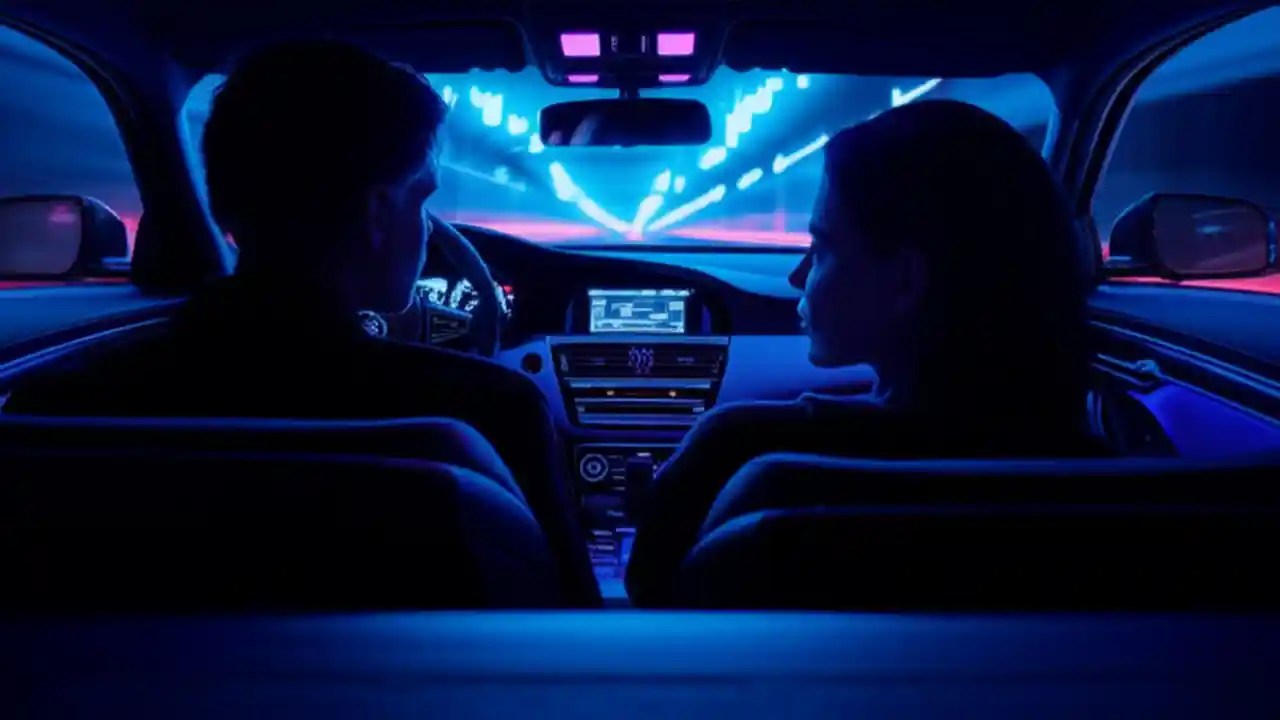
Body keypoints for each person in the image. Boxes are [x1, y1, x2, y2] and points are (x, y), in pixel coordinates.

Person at [3, 41, 599, 607]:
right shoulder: (491, 412)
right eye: (420, 198)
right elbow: (571, 629)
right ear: (377, 213)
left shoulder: (55, 408)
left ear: (224, 200)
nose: (427, 229)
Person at [626, 99, 1100, 607]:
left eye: (821, 248)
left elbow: (650, 603)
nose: (798, 276)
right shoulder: (1114, 490)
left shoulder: (741, 454)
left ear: (905, 282)